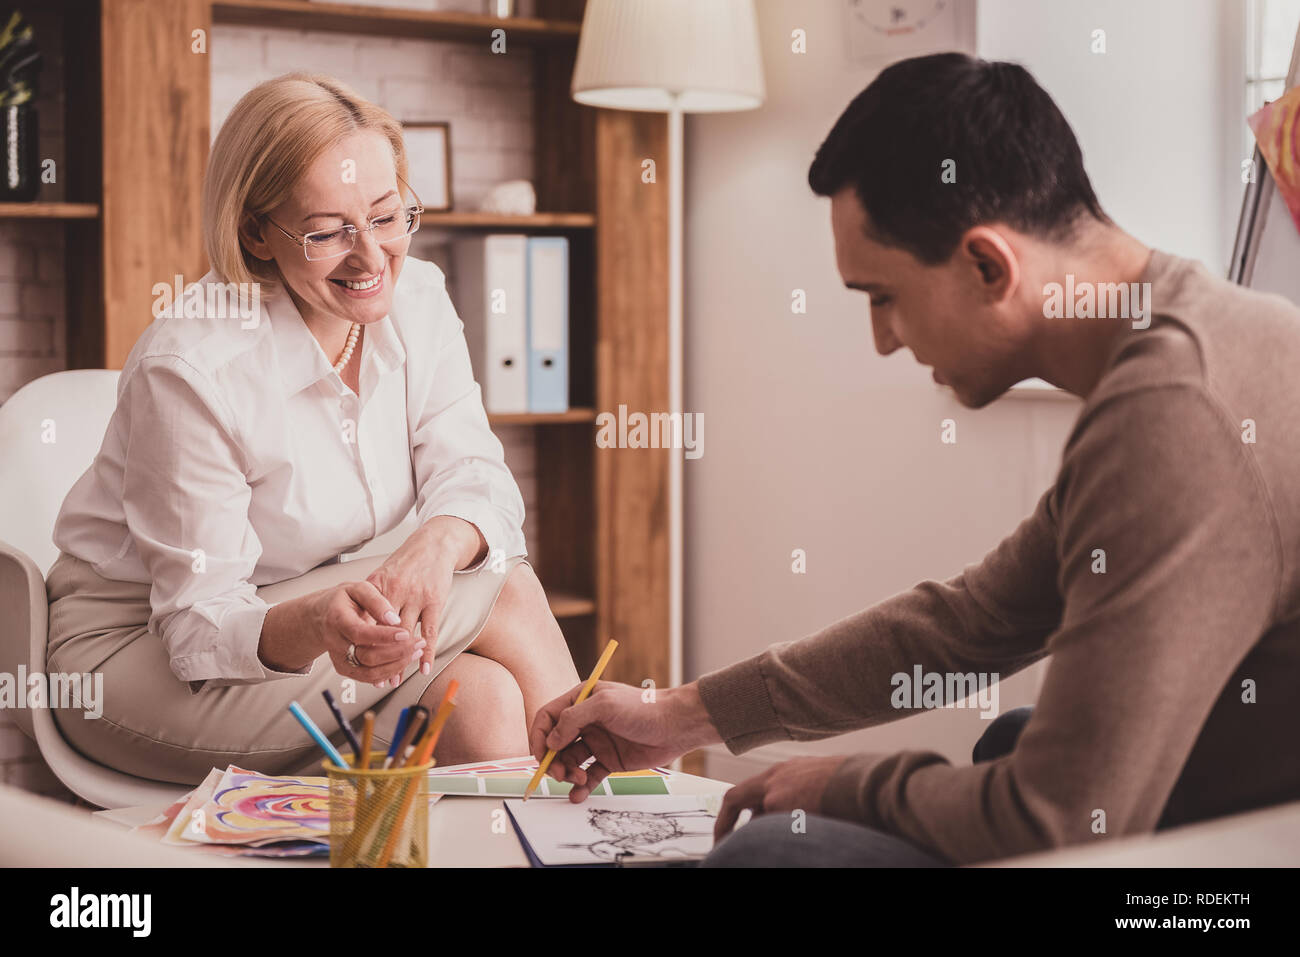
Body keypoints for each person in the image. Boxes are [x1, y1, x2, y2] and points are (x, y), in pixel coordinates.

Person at [529, 52, 1300, 866]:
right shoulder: (1196, 334)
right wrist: (681, 713)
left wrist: (838, 786)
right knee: (1010, 737)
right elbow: (967, 623)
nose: (882, 340)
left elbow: (1056, 823)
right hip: (1217, 798)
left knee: (773, 854)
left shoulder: (1175, 416)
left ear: (986, 265)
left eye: (882, 297)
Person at [46, 73, 579, 785]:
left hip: (290, 615)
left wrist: (437, 540)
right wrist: (320, 622)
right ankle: (613, 817)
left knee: (481, 703)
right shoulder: (194, 368)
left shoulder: (418, 300)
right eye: (329, 232)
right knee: (503, 587)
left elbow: (474, 472)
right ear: (256, 233)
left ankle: (576, 843)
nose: (370, 258)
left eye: (388, 217)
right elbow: (198, 626)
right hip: (138, 655)